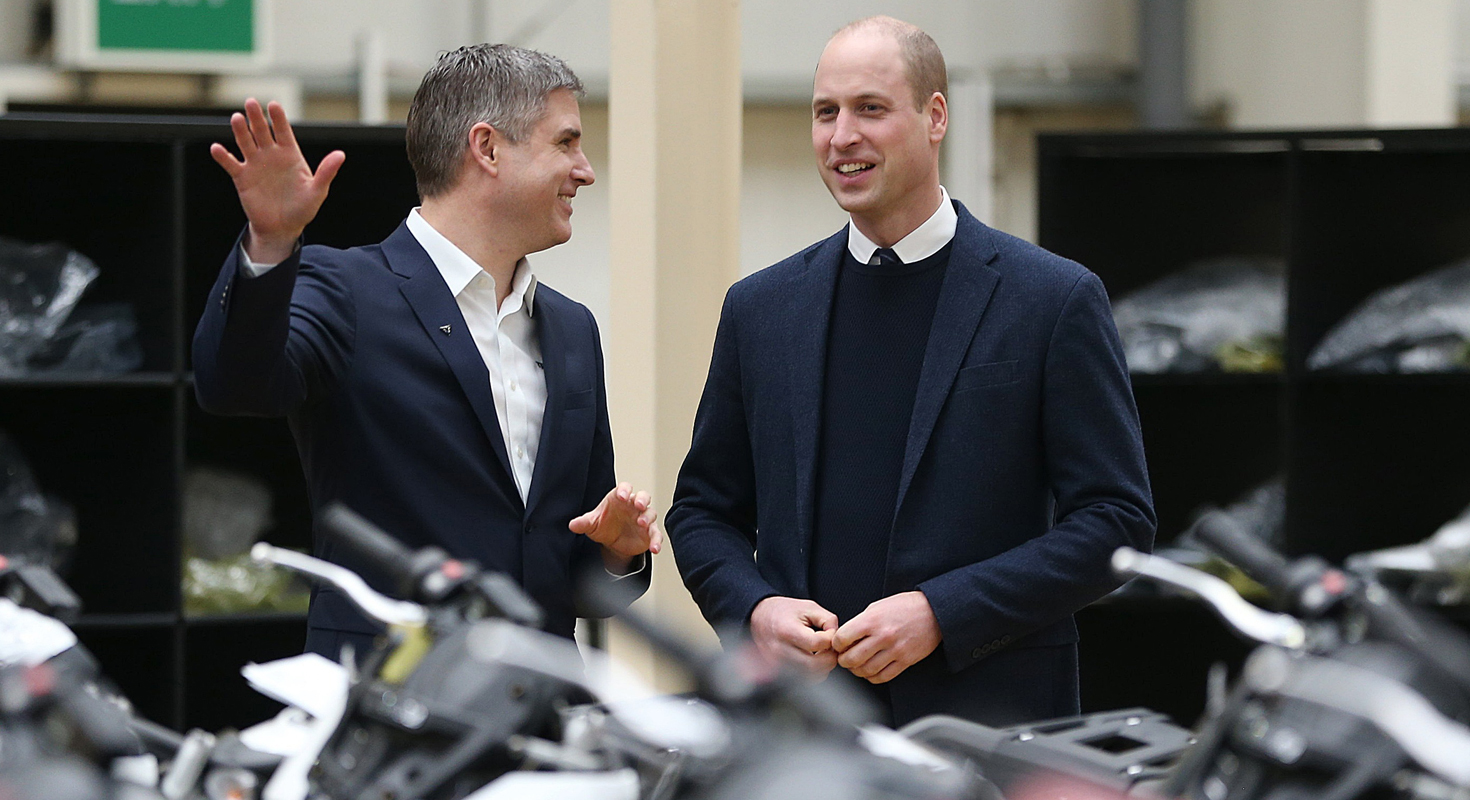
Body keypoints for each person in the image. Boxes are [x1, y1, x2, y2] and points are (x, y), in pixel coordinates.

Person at [666, 17, 1154, 726]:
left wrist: (942, 613)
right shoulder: (760, 309)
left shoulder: (1052, 299)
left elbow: (1117, 522)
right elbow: (703, 511)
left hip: (990, 723)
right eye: (825, 112)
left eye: (869, 108)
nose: (842, 136)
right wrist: (756, 610)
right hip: (802, 730)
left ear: (935, 117)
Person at [193, 44, 660, 661]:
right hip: (388, 694)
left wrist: (617, 551)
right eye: (566, 143)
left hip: (538, 698)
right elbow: (233, 385)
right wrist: (272, 242)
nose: (585, 170)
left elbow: (575, 584)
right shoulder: (347, 290)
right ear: (487, 148)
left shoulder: (573, 329)